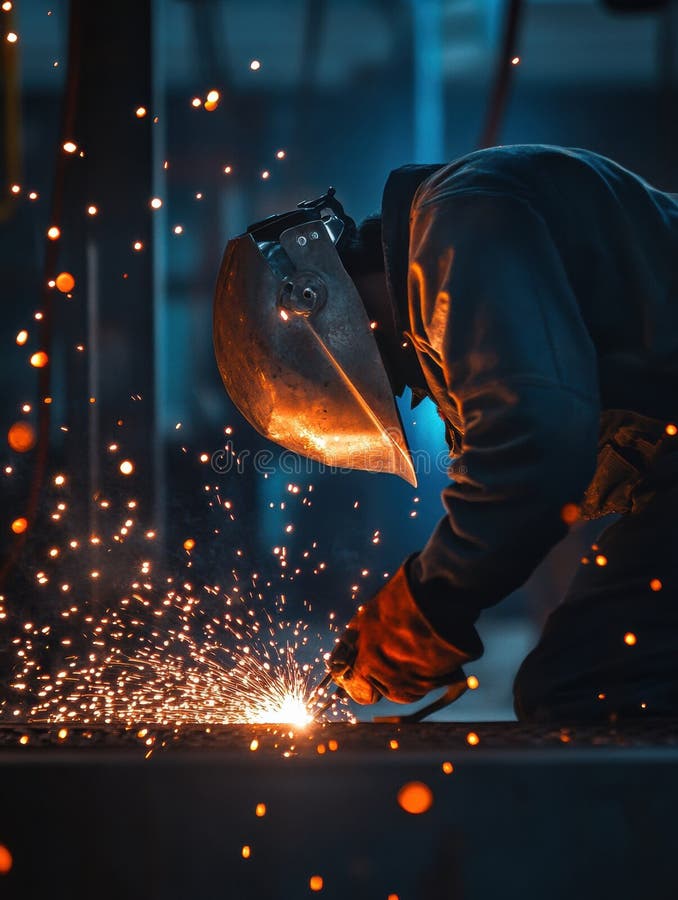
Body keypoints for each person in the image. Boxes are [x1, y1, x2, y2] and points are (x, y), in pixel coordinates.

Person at [213, 144, 678, 721]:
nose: (414, 395)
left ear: (341, 321)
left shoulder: (457, 227)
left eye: (392, 378)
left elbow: (536, 448)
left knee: (587, 689)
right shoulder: (454, 234)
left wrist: (429, 598)